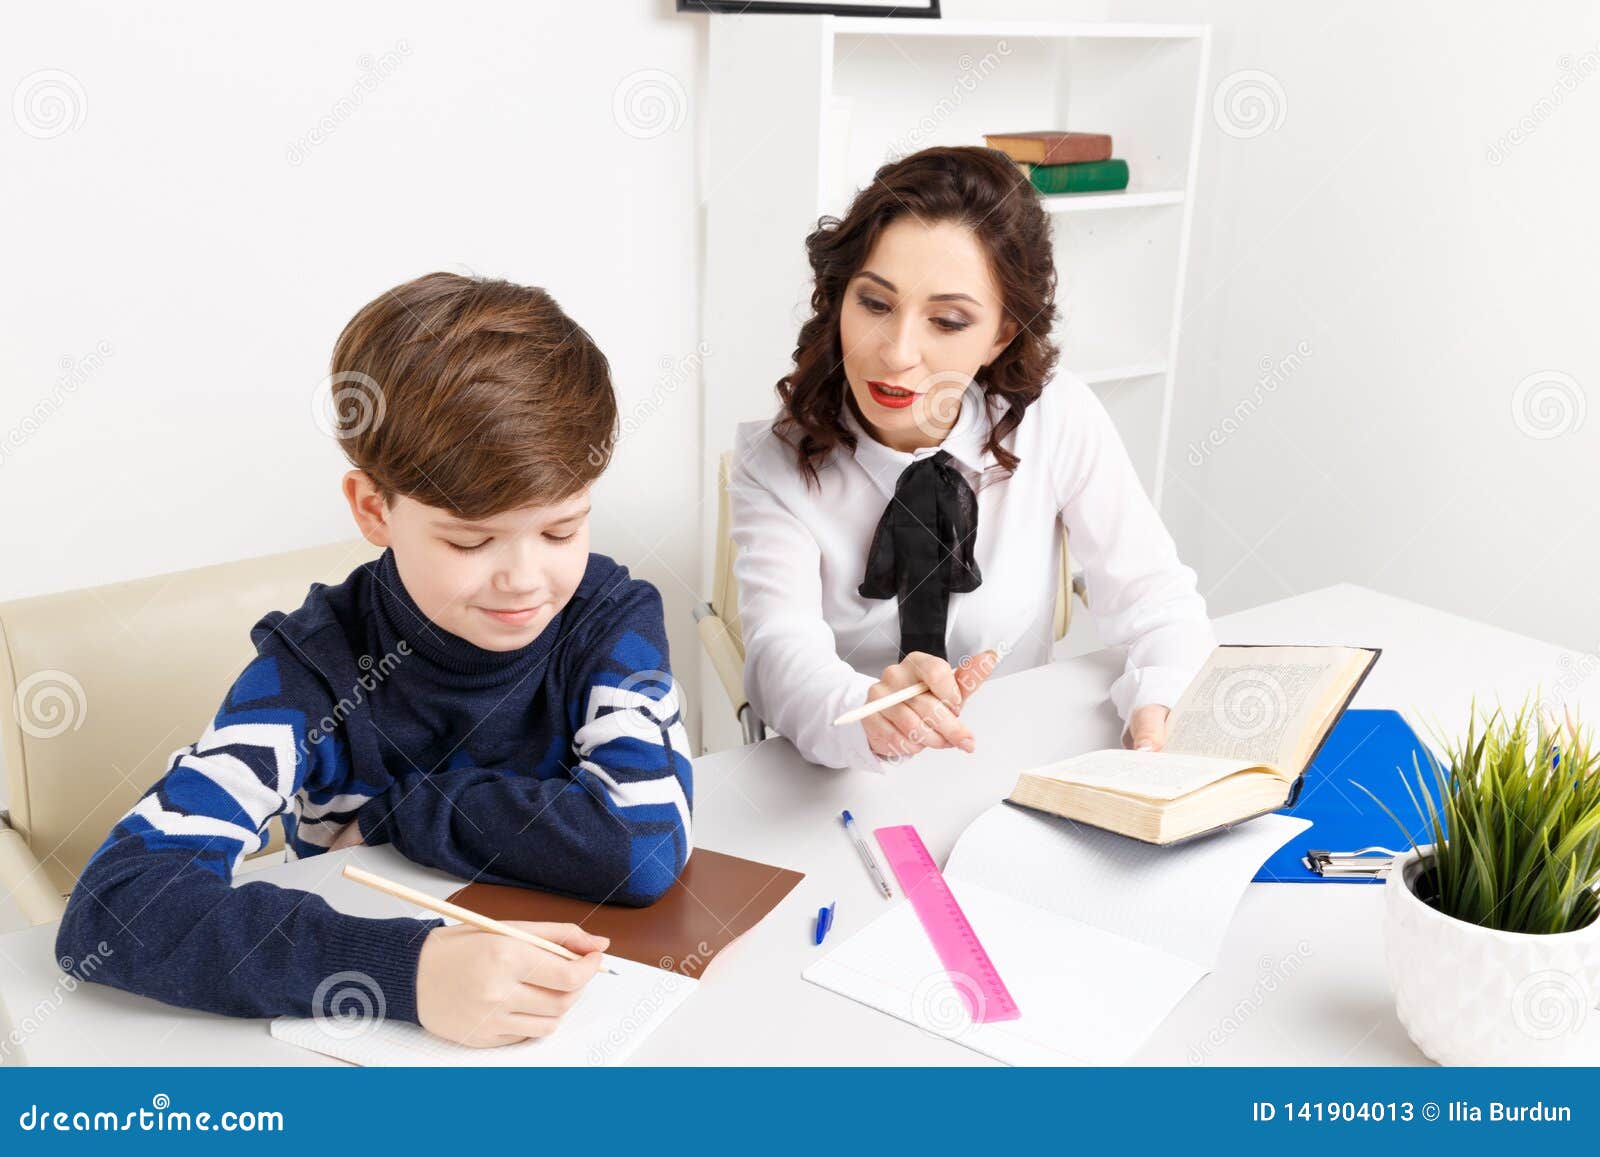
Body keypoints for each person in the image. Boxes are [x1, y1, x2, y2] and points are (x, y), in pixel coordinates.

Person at [55, 272, 693, 1047]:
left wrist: (402, 811)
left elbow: (643, 846)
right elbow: (117, 904)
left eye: (561, 531)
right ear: (372, 509)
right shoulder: (313, 669)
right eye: (470, 540)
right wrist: (404, 970)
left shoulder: (608, 617)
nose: (526, 579)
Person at [729, 146, 1215, 770]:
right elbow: (779, 653)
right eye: (875, 304)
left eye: (949, 321)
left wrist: (1160, 701)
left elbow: (1157, 602)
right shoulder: (773, 462)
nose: (898, 353)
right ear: (839, 296)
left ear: (1002, 334)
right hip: (842, 775)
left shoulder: (1053, 416)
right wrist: (871, 711)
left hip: (1009, 762)